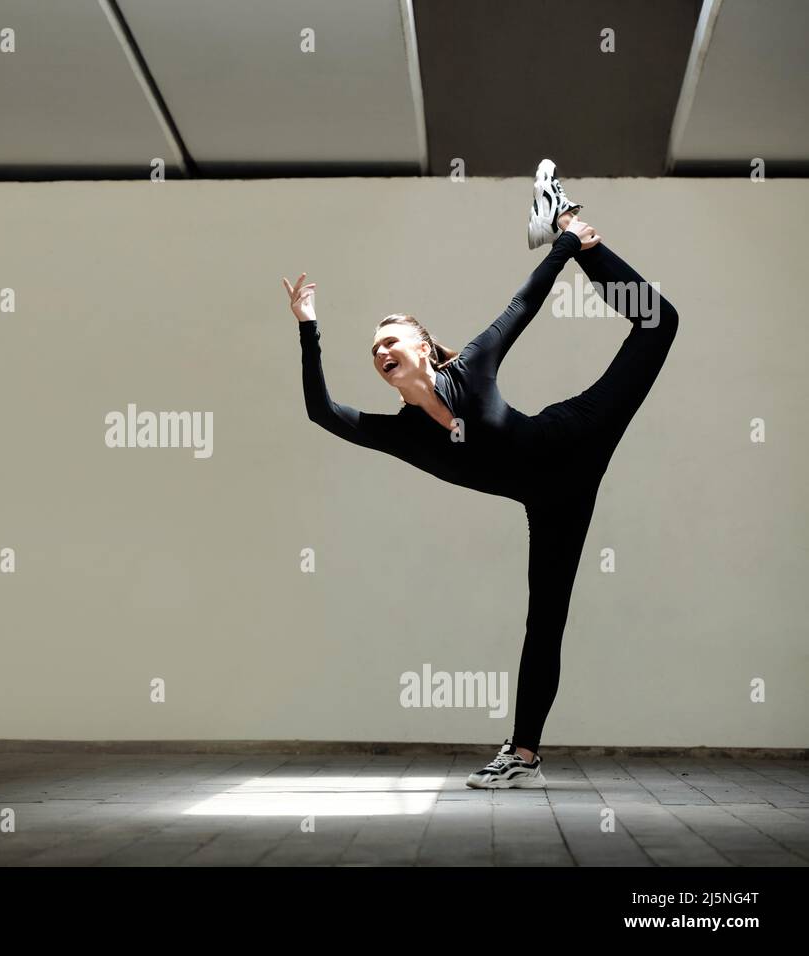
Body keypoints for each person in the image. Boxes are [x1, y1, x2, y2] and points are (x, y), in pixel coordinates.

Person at [283, 159, 679, 788]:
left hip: (574, 435)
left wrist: (569, 245)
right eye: (375, 348)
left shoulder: (471, 367)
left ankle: (565, 216)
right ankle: (522, 757)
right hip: (553, 502)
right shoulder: (399, 432)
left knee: (660, 323)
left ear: (423, 344)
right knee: (544, 622)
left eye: (392, 340)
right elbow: (321, 412)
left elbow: (524, 302)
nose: (382, 351)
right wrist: (309, 328)